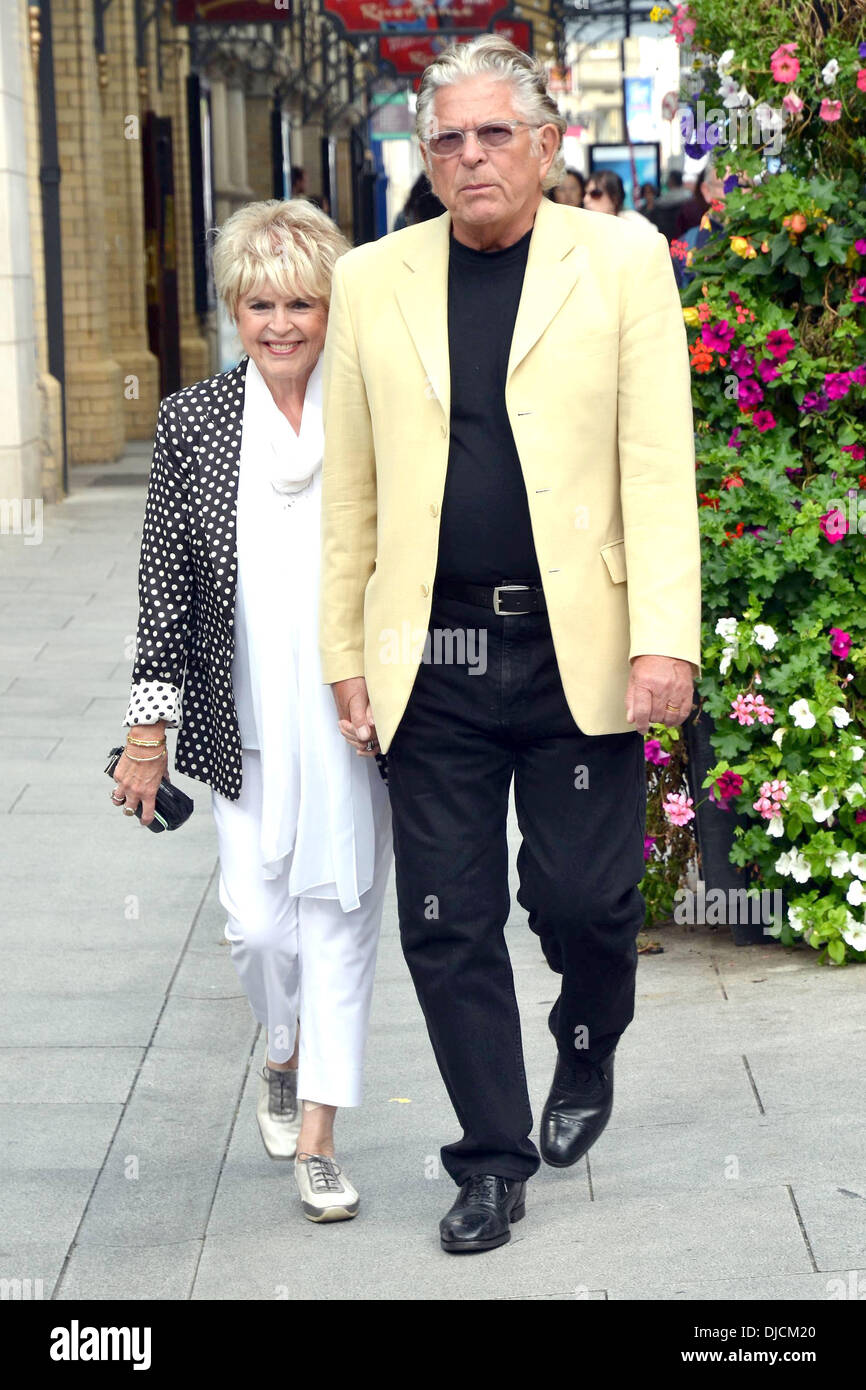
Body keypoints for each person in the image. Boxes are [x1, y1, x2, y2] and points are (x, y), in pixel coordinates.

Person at [319, 33, 700, 1254]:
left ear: (545, 144)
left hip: (571, 645)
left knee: (586, 903)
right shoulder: (374, 280)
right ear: (422, 156)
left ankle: (585, 1042)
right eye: (447, 137)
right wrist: (344, 651)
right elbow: (353, 494)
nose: (469, 155)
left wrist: (664, 639)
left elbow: (656, 462)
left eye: (494, 133)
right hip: (427, 656)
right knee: (446, 917)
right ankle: (490, 1157)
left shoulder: (623, 258)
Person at [112, 198, 393, 1225]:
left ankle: (319, 1134)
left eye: (302, 303)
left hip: (353, 717)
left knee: (341, 918)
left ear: (332, 309)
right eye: (260, 302)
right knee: (255, 928)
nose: (281, 323)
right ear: (233, 307)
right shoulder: (192, 421)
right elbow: (163, 588)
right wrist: (149, 732)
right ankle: (281, 1048)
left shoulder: (370, 408)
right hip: (242, 723)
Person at [584, 169, 656, 235]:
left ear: (615, 199)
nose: (586, 199)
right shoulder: (582, 227)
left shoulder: (636, 225)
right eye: (585, 194)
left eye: (595, 194)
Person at [647, 168, 690, 241]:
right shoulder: (689, 198)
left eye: (668, 178)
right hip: (685, 239)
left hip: (666, 239)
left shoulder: (660, 203)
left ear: (672, 180)